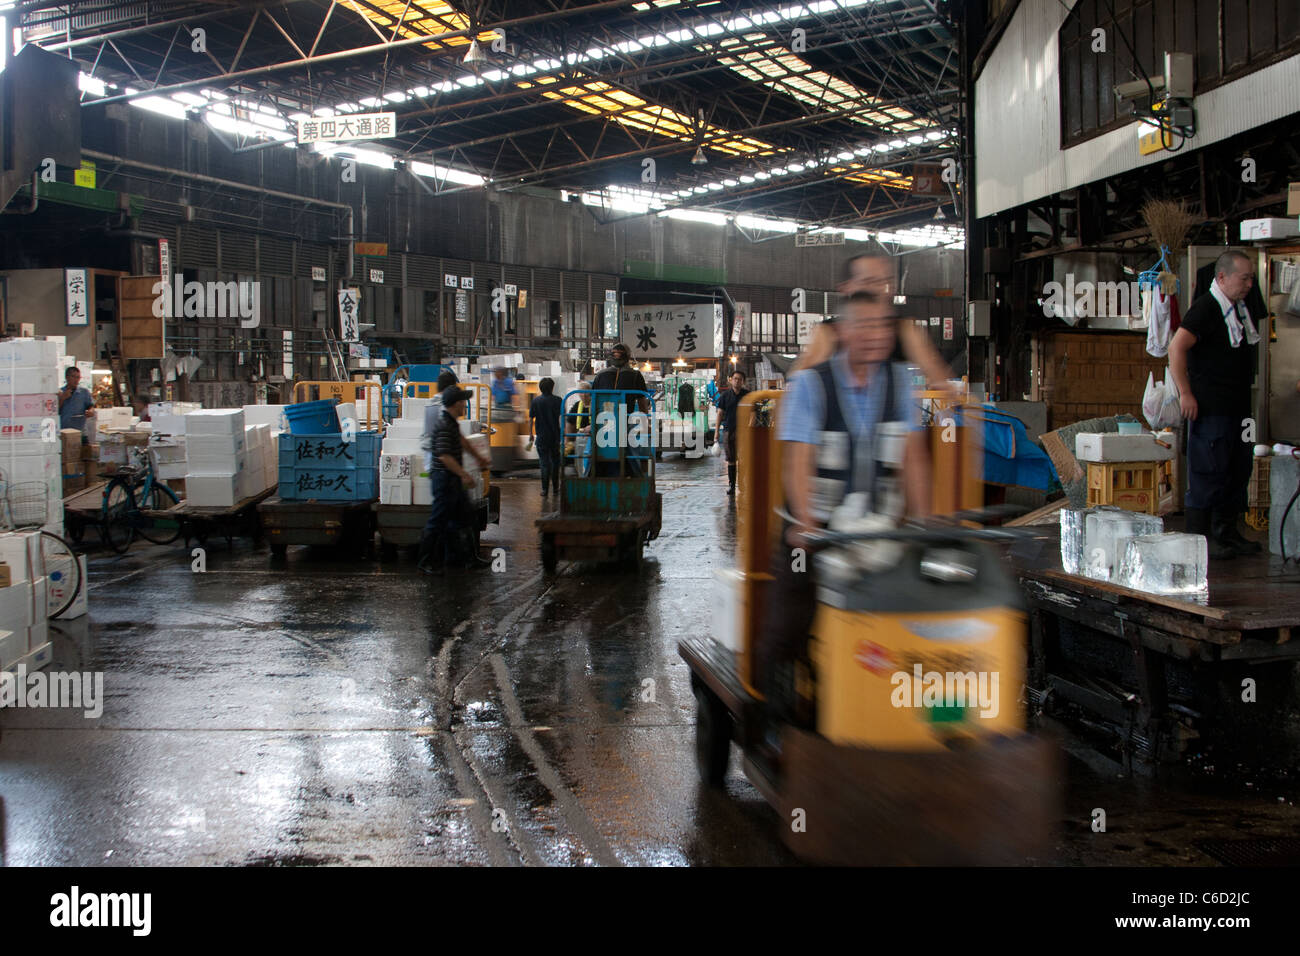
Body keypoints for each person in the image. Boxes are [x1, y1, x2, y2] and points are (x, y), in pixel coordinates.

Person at [754, 285, 932, 741]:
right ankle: (775, 723)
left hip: (877, 532)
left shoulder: (899, 384)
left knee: (909, 611)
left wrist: (927, 521)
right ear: (844, 332)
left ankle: (893, 715)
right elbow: (797, 461)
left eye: (883, 327)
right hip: (816, 530)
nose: (875, 336)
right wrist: (806, 525)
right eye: (865, 326)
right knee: (788, 620)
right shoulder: (812, 384)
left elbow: (913, 458)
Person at [1168, 249, 1262, 559]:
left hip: (1240, 407)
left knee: (1239, 468)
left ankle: (1227, 531)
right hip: (1210, 407)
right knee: (1210, 471)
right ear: (1221, 277)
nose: (1249, 284)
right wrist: (1185, 393)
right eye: (1243, 278)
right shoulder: (1206, 308)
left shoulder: (1241, 307)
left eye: (1251, 278)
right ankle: (1201, 539)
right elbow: (1176, 348)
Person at [839, 253, 959, 400]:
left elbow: (940, 380)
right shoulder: (829, 333)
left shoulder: (906, 331)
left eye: (885, 282)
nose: (881, 290)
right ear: (846, 288)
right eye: (869, 282)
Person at [417, 385, 492, 574]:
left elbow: (463, 442)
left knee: (465, 518)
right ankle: (424, 563)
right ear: (455, 404)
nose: (465, 405)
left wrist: (479, 457)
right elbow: (444, 456)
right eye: (462, 402)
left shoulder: (451, 423)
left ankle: (468, 560)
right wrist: (464, 474)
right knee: (437, 521)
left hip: (452, 480)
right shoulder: (443, 426)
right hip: (444, 480)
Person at [591, 343, 651, 476]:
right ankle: (639, 476)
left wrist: (592, 423)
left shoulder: (601, 375)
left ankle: (590, 473)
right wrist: (645, 423)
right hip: (625, 421)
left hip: (603, 423)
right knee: (634, 449)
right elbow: (642, 403)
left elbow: (593, 403)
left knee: (593, 450)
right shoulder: (635, 376)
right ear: (628, 357)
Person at [714, 370, 750, 496]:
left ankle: (743, 484)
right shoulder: (725, 396)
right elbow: (719, 413)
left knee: (744, 459)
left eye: (740, 379)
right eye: (735, 378)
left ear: (743, 381)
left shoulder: (748, 395)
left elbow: (754, 411)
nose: (737, 381)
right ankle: (732, 486)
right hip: (729, 430)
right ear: (731, 380)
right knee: (731, 459)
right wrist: (716, 432)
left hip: (744, 432)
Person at [528, 377, 563, 499]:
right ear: (552, 387)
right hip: (555, 436)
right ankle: (556, 488)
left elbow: (531, 419)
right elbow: (562, 418)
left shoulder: (536, 401)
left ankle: (544, 489)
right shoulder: (558, 400)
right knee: (555, 462)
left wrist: (530, 434)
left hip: (541, 436)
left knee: (544, 463)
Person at [422, 370, 461, 474]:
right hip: (440, 463)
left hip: (429, 458)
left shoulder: (429, 404)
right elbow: (444, 447)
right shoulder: (444, 407)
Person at [58, 367, 96, 438]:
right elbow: (55, 411)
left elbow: (91, 406)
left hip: (80, 432)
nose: (76, 380)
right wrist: (62, 398)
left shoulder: (84, 392)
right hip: (64, 432)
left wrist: (91, 411)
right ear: (67, 377)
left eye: (78, 377)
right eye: (73, 377)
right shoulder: (60, 392)